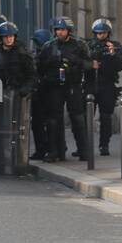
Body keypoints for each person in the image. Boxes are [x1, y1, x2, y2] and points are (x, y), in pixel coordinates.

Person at [37, 17, 89, 162]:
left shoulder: (79, 45)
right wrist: (50, 63)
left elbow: (89, 64)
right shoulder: (48, 46)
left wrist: (74, 61)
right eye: (58, 30)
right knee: (53, 120)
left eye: (63, 29)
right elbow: (39, 67)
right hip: (55, 87)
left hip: (73, 85)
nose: (60, 32)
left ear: (69, 31)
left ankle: (83, 150)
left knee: (78, 118)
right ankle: (55, 151)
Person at [87, 19, 122, 156]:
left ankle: (104, 145)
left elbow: (120, 66)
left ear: (108, 33)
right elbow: (80, 62)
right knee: (87, 116)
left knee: (106, 117)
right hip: (90, 84)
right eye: (98, 33)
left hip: (107, 85)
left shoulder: (116, 46)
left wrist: (112, 54)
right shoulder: (87, 45)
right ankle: (86, 146)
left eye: (103, 33)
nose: (101, 36)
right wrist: (90, 63)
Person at [29, 28, 53, 160]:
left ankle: (50, 148)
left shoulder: (49, 55)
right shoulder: (35, 56)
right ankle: (41, 149)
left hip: (48, 92)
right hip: (38, 92)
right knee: (37, 123)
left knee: (49, 122)